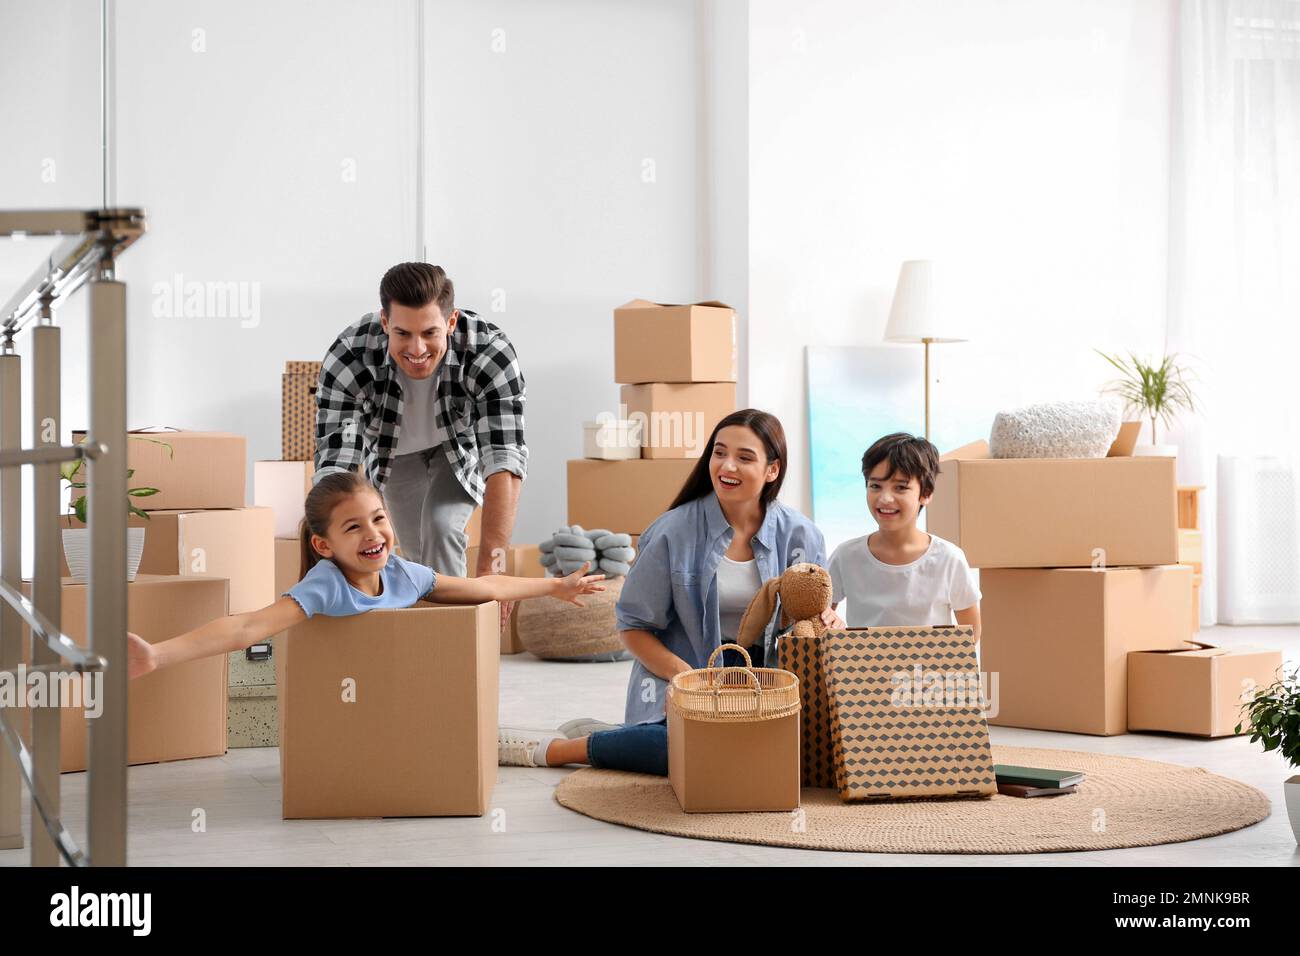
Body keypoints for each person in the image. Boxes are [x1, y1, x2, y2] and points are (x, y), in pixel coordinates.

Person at [496, 409, 829, 773]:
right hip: (685, 670)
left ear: (772, 470)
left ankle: (617, 737)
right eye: (719, 453)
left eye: (744, 457)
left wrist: (828, 617)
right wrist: (686, 680)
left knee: (796, 754)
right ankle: (556, 749)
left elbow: (811, 612)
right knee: (686, 751)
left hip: (768, 679)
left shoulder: (801, 535)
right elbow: (632, 626)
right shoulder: (673, 531)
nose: (727, 466)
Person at [123, 472, 602, 679]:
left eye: (378, 518)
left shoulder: (403, 575)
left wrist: (555, 586)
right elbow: (248, 626)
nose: (374, 533)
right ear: (324, 546)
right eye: (353, 527)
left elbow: (484, 587)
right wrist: (158, 655)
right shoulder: (326, 584)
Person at [315, 262, 527, 631]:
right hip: (392, 458)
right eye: (403, 333)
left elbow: (504, 461)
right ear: (384, 322)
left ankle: (456, 650)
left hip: (456, 453)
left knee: (441, 526)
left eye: (429, 332)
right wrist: (328, 554)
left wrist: (492, 572)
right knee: (416, 566)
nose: (416, 349)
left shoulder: (490, 351)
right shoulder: (349, 354)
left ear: (451, 321)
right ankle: (421, 652)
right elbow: (337, 464)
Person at [826, 432, 981, 640]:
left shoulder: (948, 558)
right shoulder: (846, 556)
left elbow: (971, 633)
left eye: (900, 487)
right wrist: (831, 622)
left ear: (925, 493)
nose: (885, 498)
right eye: (875, 486)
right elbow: (820, 618)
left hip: (927, 672)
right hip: (863, 671)